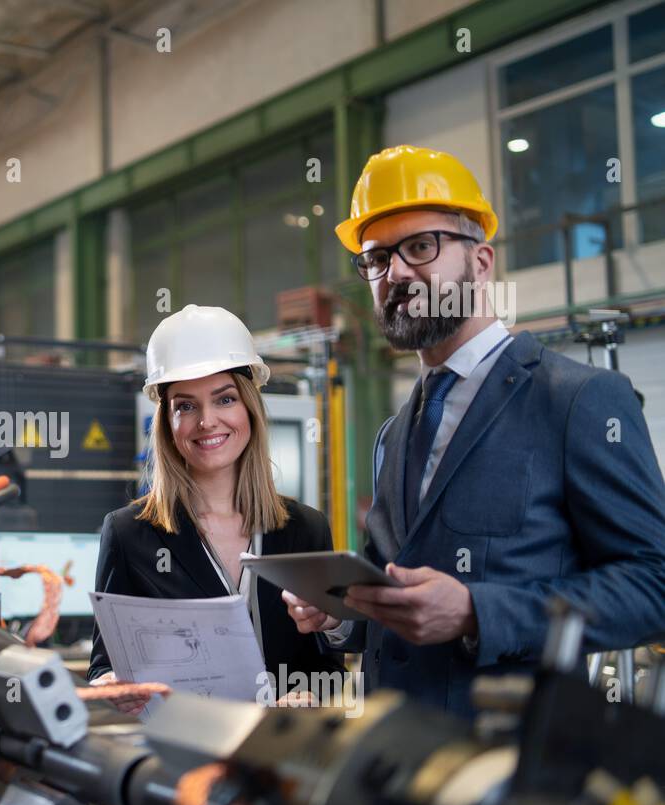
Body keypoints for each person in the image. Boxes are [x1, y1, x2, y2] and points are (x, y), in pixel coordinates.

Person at [284, 144, 665, 718]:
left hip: (511, 768)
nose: (398, 273)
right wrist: (344, 618)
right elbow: (400, 603)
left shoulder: (578, 401)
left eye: (420, 246)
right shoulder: (394, 434)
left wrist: (476, 612)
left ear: (482, 262)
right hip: (392, 761)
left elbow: (652, 587)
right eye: (377, 258)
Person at [88, 303, 344, 805]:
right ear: (166, 422)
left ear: (249, 407)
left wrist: (309, 701)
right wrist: (112, 687)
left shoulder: (302, 528)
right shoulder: (129, 533)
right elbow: (103, 666)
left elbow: (322, 660)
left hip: (268, 804)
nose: (208, 422)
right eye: (186, 406)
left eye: (224, 399)